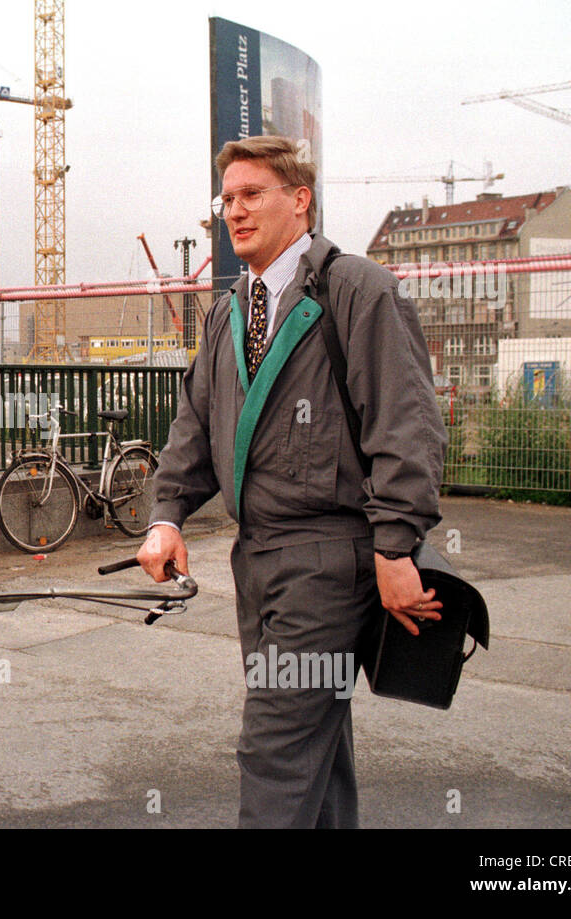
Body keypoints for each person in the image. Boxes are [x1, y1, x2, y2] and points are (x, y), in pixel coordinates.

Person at [138, 135, 446, 828]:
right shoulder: (227, 312)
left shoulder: (356, 289)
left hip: (327, 563)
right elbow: (195, 424)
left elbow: (407, 423)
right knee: (318, 745)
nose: (234, 211)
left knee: (276, 749)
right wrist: (167, 515)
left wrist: (395, 547)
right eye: (227, 199)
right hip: (260, 560)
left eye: (253, 194)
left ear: (300, 199)